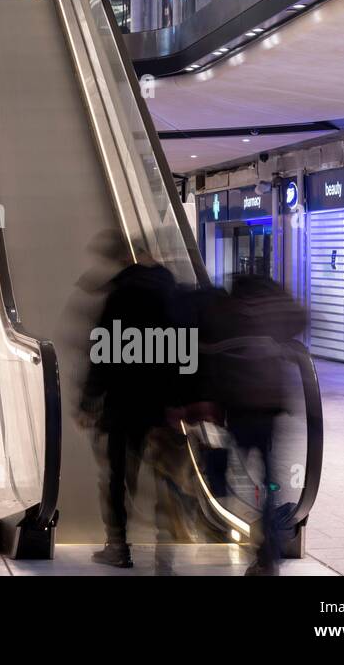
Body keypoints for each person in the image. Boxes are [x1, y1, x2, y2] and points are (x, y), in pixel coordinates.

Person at [78, 232, 180, 572]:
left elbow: (102, 353)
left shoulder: (120, 294)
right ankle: (166, 547)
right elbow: (184, 346)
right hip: (161, 404)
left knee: (118, 474)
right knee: (166, 475)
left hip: (122, 404)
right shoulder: (170, 291)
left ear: (125, 258)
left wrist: (89, 399)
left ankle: (119, 545)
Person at [203, 273, 307, 576]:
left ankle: (218, 502)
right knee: (269, 479)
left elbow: (210, 352)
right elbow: (301, 319)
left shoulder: (228, 310)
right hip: (270, 408)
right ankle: (268, 555)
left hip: (237, 406)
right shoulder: (274, 308)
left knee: (233, 467)